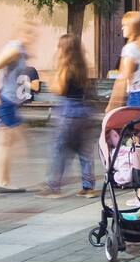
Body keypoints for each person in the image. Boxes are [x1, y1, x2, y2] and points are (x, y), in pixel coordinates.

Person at [38, 33, 98, 199]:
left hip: (67, 113)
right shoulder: (83, 67)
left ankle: (53, 187)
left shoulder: (65, 67)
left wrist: (51, 76)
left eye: (59, 46)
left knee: (59, 150)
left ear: (64, 49)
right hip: (85, 111)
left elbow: (59, 89)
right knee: (84, 152)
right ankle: (88, 188)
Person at [0, 23, 38, 194]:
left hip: (9, 101)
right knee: (10, 142)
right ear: (19, 32)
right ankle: (3, 182)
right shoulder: (15, 50)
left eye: (33, 33)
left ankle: (3, 181)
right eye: (28, 32)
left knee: (9, 142)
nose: (32, 36)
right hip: (6, 101)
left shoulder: (19, 50)